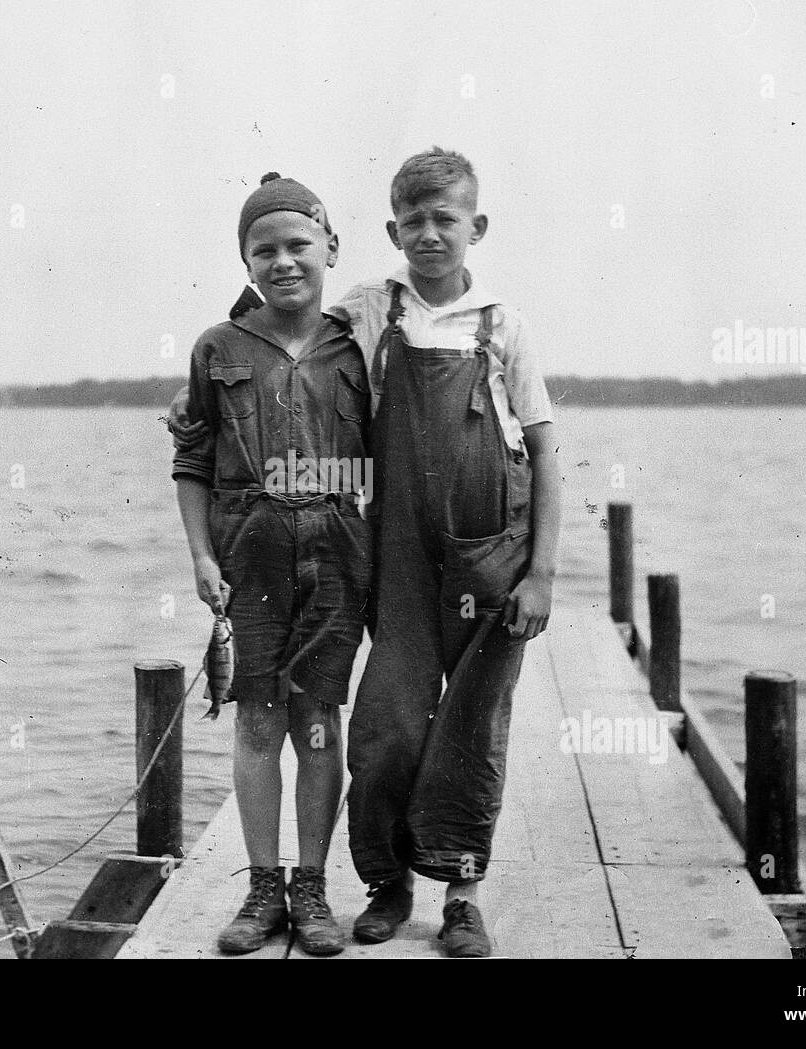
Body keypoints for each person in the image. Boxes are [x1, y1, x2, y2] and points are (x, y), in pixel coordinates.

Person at [327, 147, 561, 958]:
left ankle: (461, 891)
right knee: (387, 720)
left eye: (446, 220)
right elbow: (287, 349)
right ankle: (388, 882)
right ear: (394, 228)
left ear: (476, 227)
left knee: (474, 723)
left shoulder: (504, 324)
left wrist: (541, 572)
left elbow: (543, 447)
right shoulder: (369, 307)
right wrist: (201, 391)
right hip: (398, 553)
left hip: (492, 555)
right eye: (413, 222)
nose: (429, 235)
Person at [171, 173, 372, 956]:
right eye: (265, 250)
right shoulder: (217, 349)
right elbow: (190, 459)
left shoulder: (358, 347)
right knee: (255, 718)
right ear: (246, 263)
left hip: (338, 551)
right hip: (246, 552)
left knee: (319, 722)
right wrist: (198, 554)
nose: (284, 261)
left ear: (329, 247)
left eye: (298, 244)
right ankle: (262, 887)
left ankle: (313, 888)